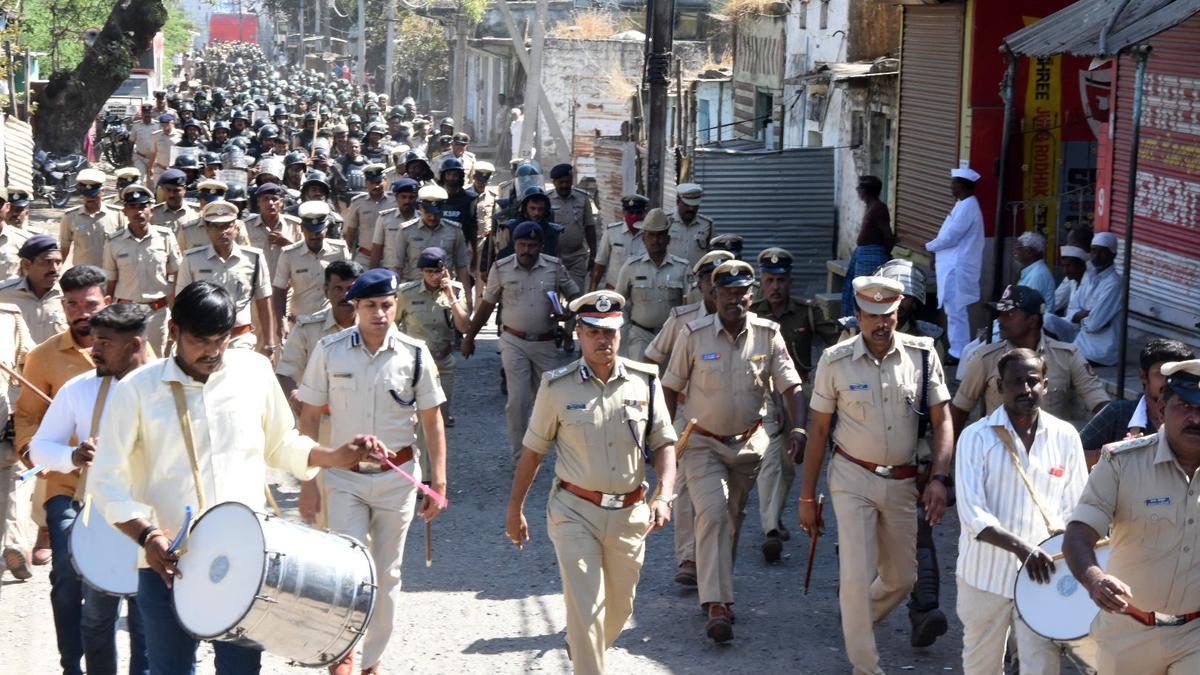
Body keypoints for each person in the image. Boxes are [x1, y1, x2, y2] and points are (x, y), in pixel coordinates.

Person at [89, 281, 385, 674]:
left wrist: (335, 456)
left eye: (221, 339)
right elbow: (105, 480)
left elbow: (281, 444)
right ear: (174, 331)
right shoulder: (137, 390)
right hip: (167, 565)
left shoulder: (254, 372)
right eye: (200, 340)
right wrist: (147, 536)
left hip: (245, 561)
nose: (213, 351)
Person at [506, 290, 677, 674]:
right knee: (586, 610)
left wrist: (665, 495)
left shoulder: (645, 382)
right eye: (594, 332)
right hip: (574, 511)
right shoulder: (557, 387)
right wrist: (515, 509)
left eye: (610, 332)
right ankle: (586, 652)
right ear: (579, 333)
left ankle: (581, 643)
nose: (603, 340)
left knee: (619, 610)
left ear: (620, 333)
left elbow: (664, 443)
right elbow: (532, 453)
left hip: (629, 515)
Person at [799, 275, 954, 675]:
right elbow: (819, 430)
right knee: (856, 571)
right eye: (871, 315)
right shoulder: (835, 360)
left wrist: (940, 477)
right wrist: (806, 497)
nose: (880, 323)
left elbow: (943, 420)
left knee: (902, 578)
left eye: (888, 314)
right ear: (858, 314)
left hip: (903, 481)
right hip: (852, 476)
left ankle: (856, 619)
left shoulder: (923, 355)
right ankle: (865, 666)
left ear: (898, 312)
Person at [298, 268, 449, 675]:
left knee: (387, 573)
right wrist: (308, 480)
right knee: (348, 571)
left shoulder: (415, 354)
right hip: (344, 478)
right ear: (355, 307)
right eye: (370, 306)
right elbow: (308, 416)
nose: (379, 314)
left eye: (386, 305)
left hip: (396, 481)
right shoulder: (329, 350)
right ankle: (342, 653)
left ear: (396, 305)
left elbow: (432, 419)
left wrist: (438, 481)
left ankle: (371, 662)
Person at [662, 260, 807, 642]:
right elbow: (670, 386)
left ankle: (716, 584)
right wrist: (664, 435)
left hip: (748, 445)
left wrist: (798, 428)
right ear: (714, 294)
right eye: (726, 292)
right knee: (712, 513)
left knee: (731, 518)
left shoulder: (768, 335)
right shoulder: (693, 335)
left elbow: (791, 385)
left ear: (751, 295)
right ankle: (718, 604)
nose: (734, 300)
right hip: (701, 442)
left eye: (741, 293)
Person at [954, 348, 1096, 674]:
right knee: (981, 668)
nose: (1025, 389)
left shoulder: (1065, 436)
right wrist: (1022, 549)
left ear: (1046, 385)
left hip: (1043, 579)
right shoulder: (975, 438)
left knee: (1041, 666)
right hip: (984, 578)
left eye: (1033, 381)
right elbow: (973, 513)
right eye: (1016, 382)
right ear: (999, 387)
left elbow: (1076, 509)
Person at [28, 304, 152, 675]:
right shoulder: (79, 389)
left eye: (104, 343)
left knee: (148, 623)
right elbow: (40, 448)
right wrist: (74, 456)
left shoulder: (166, 387)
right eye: (94, 341)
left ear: (134, 345)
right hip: (100, 523)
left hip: (154, 524)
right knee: (97, 620)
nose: (93, 350)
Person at [1064, 359, 1200, 674]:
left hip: (1195, 635)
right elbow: (1078, 534)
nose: (1195, 418)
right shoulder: (1121, 463)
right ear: (1161, 408)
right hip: (1127, 633)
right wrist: (1095, 580)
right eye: (1184, 406)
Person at [643, 249, 733, 587]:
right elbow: (651, 357)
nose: (715, 287)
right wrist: (657, 408)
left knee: (722, 497)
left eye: (721, 281)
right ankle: (689, 557)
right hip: (684, 414)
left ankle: (717, 557)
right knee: (680, 484)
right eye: (710, 280)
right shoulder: (682, 320)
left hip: (731, 422)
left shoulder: (743, 319)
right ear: (700, 284)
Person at [464, 221, 579, 463]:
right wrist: (470, 337)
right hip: (513, 341)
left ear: (541, 246)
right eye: (522, 244)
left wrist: (567, 312)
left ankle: (561, 455)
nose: (526, 250)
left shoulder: (554, 267)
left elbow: (576, 297)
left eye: (532, 245)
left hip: (546, 343)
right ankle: (521, 457)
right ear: (514, 244)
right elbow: (487, 305)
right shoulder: (501, 267)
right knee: (517, 401)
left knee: (550, 400)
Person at [952, 285, 1109, 432]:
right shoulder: (985, 358)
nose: (1000, 320)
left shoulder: (1067, 356)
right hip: (998, 447)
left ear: (1032, 320)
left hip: (1051, 447)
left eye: (1009, 314)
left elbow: (1100, 404)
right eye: (1000, 314)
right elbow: (960, 410)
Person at [750, 247, 820, 562]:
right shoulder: (752, 314)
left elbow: (836, 344)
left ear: (790, 281)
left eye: (781, 280)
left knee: (790, 462)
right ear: (761, 283)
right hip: (765, 393)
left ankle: (775, 517)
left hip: (800, 393)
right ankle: (770, 529)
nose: (775, 287)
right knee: (770, 459)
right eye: (769, 280)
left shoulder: (807, 312)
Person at [175, 201, 276, 355]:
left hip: (240, 337)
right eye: (215, 226)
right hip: (204, 338)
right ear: (207, 229)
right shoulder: (192, 260)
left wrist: (269, 343)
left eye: (226, 226)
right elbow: (182, 302)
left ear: (236, 228)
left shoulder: (253, 258)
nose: (221, 232)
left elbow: (264, 300)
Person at [395, 247, 470, 428]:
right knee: (414, 419)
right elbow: (392, 324)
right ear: (421, 271)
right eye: (429, 271)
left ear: (446, 271)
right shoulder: (406, 292)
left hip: (442, 362)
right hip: (415, 363)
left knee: (439, 418)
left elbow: (464, 326)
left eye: (438, 271)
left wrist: (451, 297)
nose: (434, 276)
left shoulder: (456, 290)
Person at [103, 184, 181, 355]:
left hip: (157, 313)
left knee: (156, 360)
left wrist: (175, 310)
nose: (138, 212)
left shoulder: (165, 237)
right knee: (126, 359)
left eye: (142, 206)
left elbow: (175, 274)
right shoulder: (113, 242)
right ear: (125, 211)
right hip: (126, 313)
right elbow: (111, 281)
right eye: (132, 207)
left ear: (151, 210)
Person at [1080, 338, 1195, 454]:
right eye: (1161, 373)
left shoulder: (1195, 419)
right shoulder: (1118, 412)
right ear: (1143, 376)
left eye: (1179, 375)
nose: (1170, 381)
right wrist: (1119, 454)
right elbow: (1074, 453)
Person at [613, 208, 690, 362]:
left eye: (660, 235)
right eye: (651, 235)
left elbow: (691, 305)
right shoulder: (631, 267)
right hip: (640, 336)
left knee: (669, 377)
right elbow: (617, 303)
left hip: (672, 337)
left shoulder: (682, 268)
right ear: (643, 238)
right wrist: (625, 329)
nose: (655, 240)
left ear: (668, 239)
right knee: (640, 376)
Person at [925, 165, 984, 361]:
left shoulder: (968, 207)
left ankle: (959, 352)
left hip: (957, 268)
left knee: (956, 311)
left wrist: (930, 246)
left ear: (962, 185)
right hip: (952, 266)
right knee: (953, 311)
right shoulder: (962, 204)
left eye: (954, 183)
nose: (951, 187)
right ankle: (957, 350)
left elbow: (951, 236)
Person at [1043, 232, 1123, 367]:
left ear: (1113, 254)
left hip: (1099, 353)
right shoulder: (1091, 278)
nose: (1096, 256)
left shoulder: (1114, 283)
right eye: (1094, 250)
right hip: (1081, 345)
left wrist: (1083, 317)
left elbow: (1093, 324)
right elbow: (1074, 310)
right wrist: (1083, 315)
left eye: (1102, 252)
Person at [271, 200, 350, 336]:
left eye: (319, 231)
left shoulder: (340, 250)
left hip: (332, 323)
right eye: (310, 230)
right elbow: (279, 290)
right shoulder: (289, 254)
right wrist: (281, 321)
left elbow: (349, 285)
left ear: (326, 228)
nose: (314, 235)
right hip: (301, 324)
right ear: (302, 228)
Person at [386, 185, 471, 299]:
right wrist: (393, 295)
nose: (432, 217)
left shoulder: (454, 230)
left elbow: (461, 267)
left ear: (443, 209)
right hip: (414, 291)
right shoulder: (406, 231)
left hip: (445, 292)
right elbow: (397, 266)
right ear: (421, 208)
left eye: (436, 213)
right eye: (428, 213)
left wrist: (467, 298)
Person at [842, 175, 895, 318]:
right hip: (863, 255)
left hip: (871, 257)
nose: (857, 190)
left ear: (866, 191)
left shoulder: (878, 208)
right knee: (856, 292)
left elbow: (887, 235)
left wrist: (885, 254)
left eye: (859, 188)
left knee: (865, 294)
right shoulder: (870, 207)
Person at [546, 164, 598, 307]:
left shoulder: (582, 198)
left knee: (577, 299)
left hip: (577, 258)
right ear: (554, 182)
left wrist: (593, 255)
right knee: (551, 299)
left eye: (568, 182)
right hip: (554, 258)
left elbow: (589, 227)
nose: (564, 185)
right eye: (561, 182)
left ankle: (571, 322)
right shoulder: (546, 200)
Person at [0, 234, 67, 343]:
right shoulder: (4, 294)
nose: (54, 269)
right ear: (26, 264)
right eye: (47, 262)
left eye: (58, 262)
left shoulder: (69, 295)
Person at [59, 168, 125, 269]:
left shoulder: (117, 214)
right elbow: (64, 247)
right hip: (83, 275)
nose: (90, 198)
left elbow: (125, 247)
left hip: (110, 274)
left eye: (94, 195)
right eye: (87, 195)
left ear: (102, 192)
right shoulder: (70, 217)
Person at [242, 182, 301, 278]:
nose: (270, 203)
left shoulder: (294, 225)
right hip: (258, 284)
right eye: (265, 199)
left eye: (274, 199)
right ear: (258, 202)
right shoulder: (246, 226)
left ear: (281, 202)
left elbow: (304, 256)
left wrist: (287, 243)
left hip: (288, 284)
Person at [590, 195, 648, 291]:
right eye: (630, 213)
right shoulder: (612, 232)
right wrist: (592, 290)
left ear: (645, 214)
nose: (634, 216)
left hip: (640, 291)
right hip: (614, 289)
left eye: (639, 213)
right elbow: (600, 263)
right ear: (624, 212)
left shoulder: (650, 235)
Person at [342, 164, 391, 266]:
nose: (375, 186)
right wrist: (345, 258)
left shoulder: (394, 201)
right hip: (365, 257)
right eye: (372, 183)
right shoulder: (357, 202)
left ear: (385, 180)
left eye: (378, 182)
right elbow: (350, 233)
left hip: (389, 258)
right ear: (366, 183)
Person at [370, 178, 420, 270]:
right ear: (396, 197)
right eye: (403, 197)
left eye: (411, 197)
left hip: (416, 273)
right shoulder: (385, 218)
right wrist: (372, 272)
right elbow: (377, 248)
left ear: (416, 198)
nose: (407, 201)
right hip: (391, 271)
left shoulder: (422, 219)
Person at [666, 182, 715, 268]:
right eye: (687, 205)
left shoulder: (707, 224)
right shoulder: (666, 221)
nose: (691, 209)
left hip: (697, 274)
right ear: (678, 202)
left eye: (695, 205)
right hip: (671, 273)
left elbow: (711, 252)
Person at [149, 169, 200, 242]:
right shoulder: (153, 214)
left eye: (176, 191)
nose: (171, 195)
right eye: (168, 190)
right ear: (162, 189)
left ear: (184, 189)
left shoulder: (197, 212)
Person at [1013, 231, 1056, 310]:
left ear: (1029, 252)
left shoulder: (1037, 274)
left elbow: (1026, 308)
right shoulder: (1034, 271)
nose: (1015, 252)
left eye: (1018, 248)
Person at [0, 190, 32, 279]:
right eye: (13, 209)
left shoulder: (24, 241)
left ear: (7, 207)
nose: (15, 213)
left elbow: (31, 281)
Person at [1052, 244, 1088, 315]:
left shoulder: (1091, 283)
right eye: (1063, 266)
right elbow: (1056, 300)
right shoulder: (1072, 281)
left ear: (1081, 265)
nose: (1065, 271)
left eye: (1068, 266)